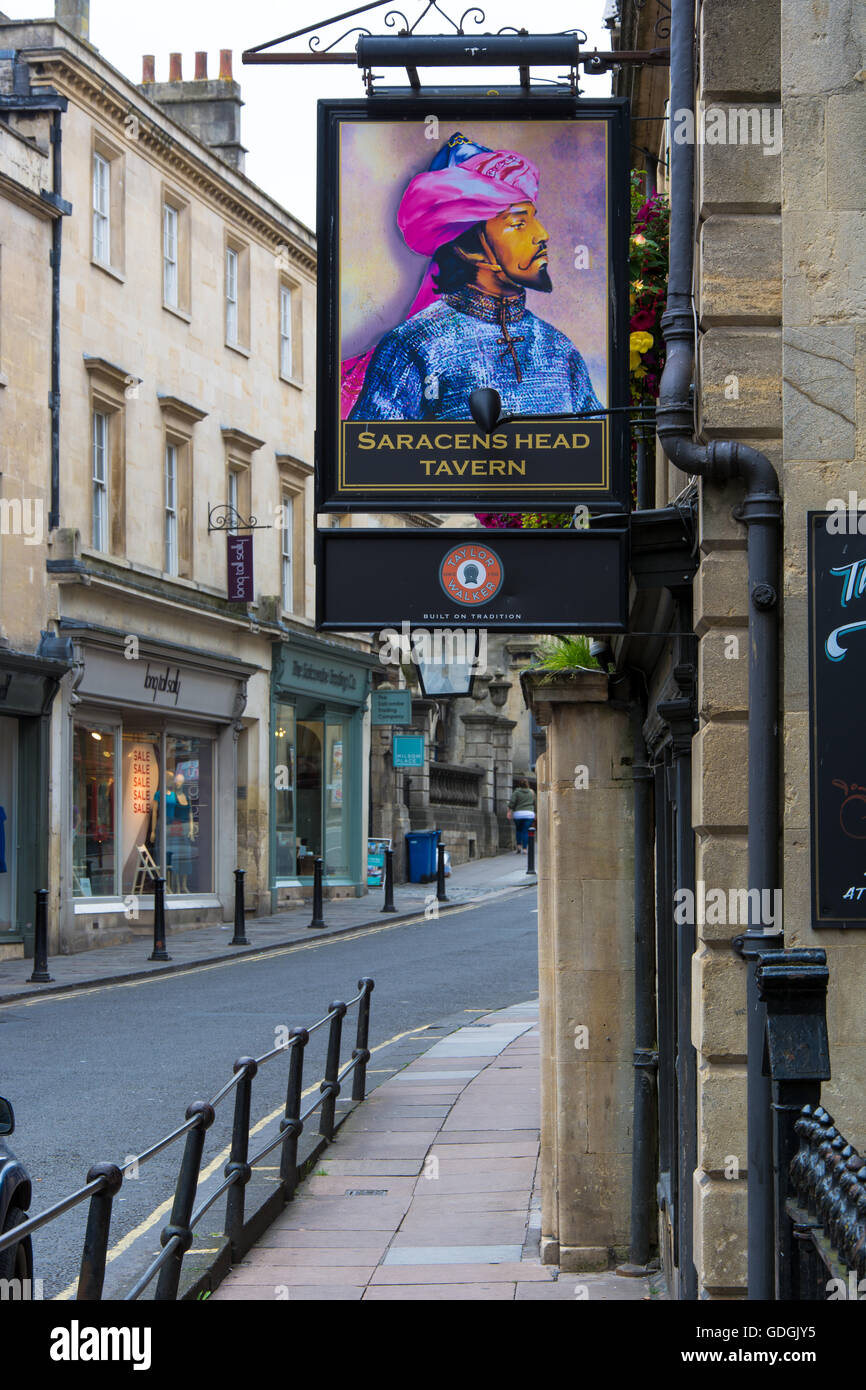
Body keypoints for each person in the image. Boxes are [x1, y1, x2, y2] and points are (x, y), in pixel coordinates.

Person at [343, 132, 602, 422]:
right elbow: (372, 458)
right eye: (519, 223)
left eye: (534, 219)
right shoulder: (411, 347)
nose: (542, 235)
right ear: (469, 247)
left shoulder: (561, 351)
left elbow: (595, 455)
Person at [507, 777, 536, 853]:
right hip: (529, 814)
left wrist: (509, 811)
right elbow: (534, 803)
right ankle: (525, 849)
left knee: (518, 830)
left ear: (519, 784)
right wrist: (535, 813)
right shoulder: (532, 792)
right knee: (525, 831)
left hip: (518, 814)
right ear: (527, 784)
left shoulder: (516, 792)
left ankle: (519, 846)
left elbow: (512, 803)